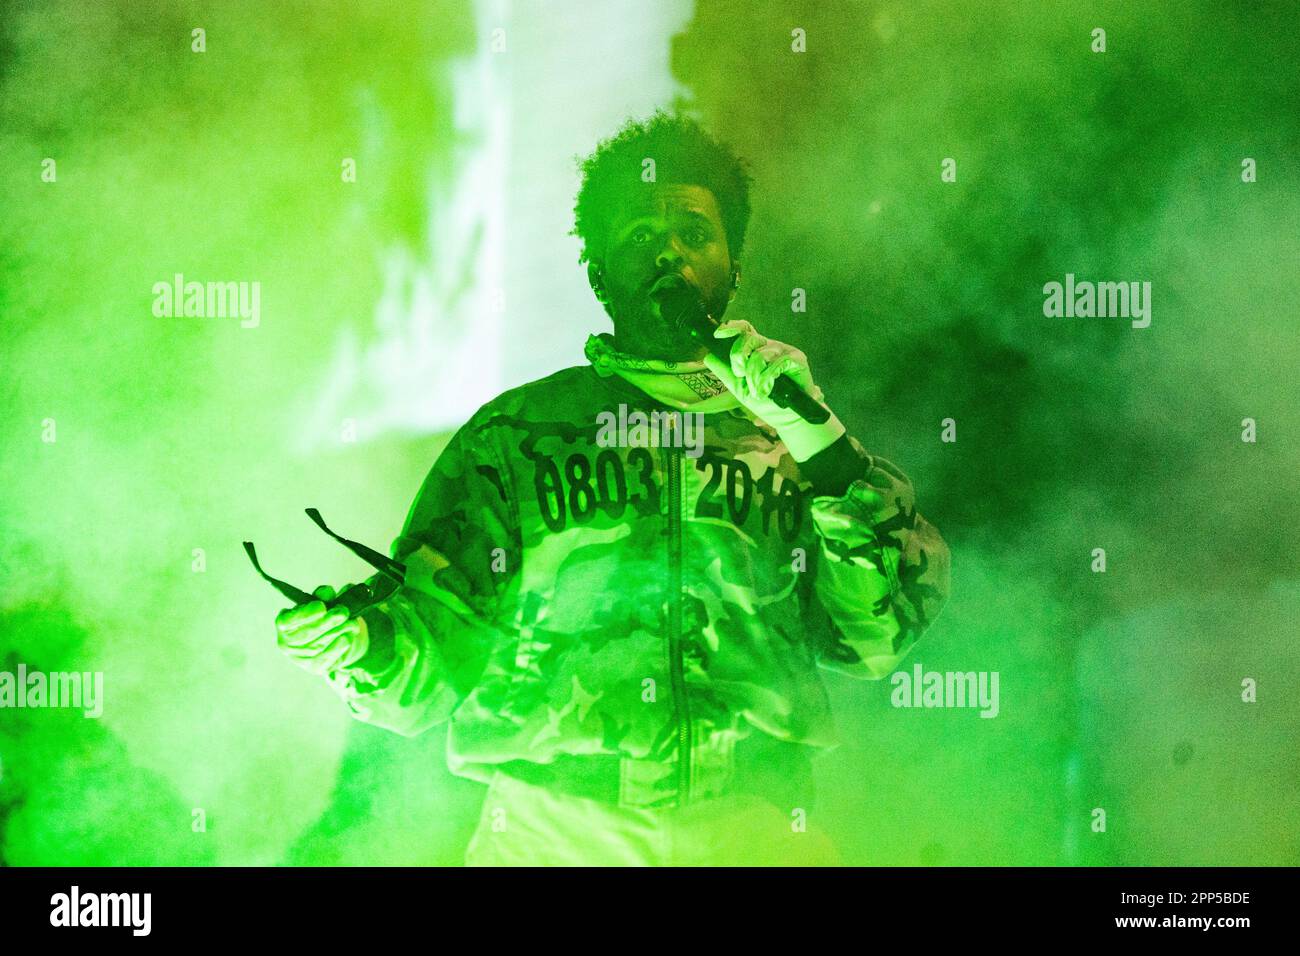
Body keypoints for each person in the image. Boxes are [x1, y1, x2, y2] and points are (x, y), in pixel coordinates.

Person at [275, 111, 950, 866]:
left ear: (733, 262)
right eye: (637, 237)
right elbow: (435, 654)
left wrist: (817, 437)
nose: (668, 251)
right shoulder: (517, 434)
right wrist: (365, 644)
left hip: (756, 832)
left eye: (695, 233)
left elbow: (876, 639)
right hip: (553, 833)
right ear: (598, 275)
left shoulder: (797, 433)